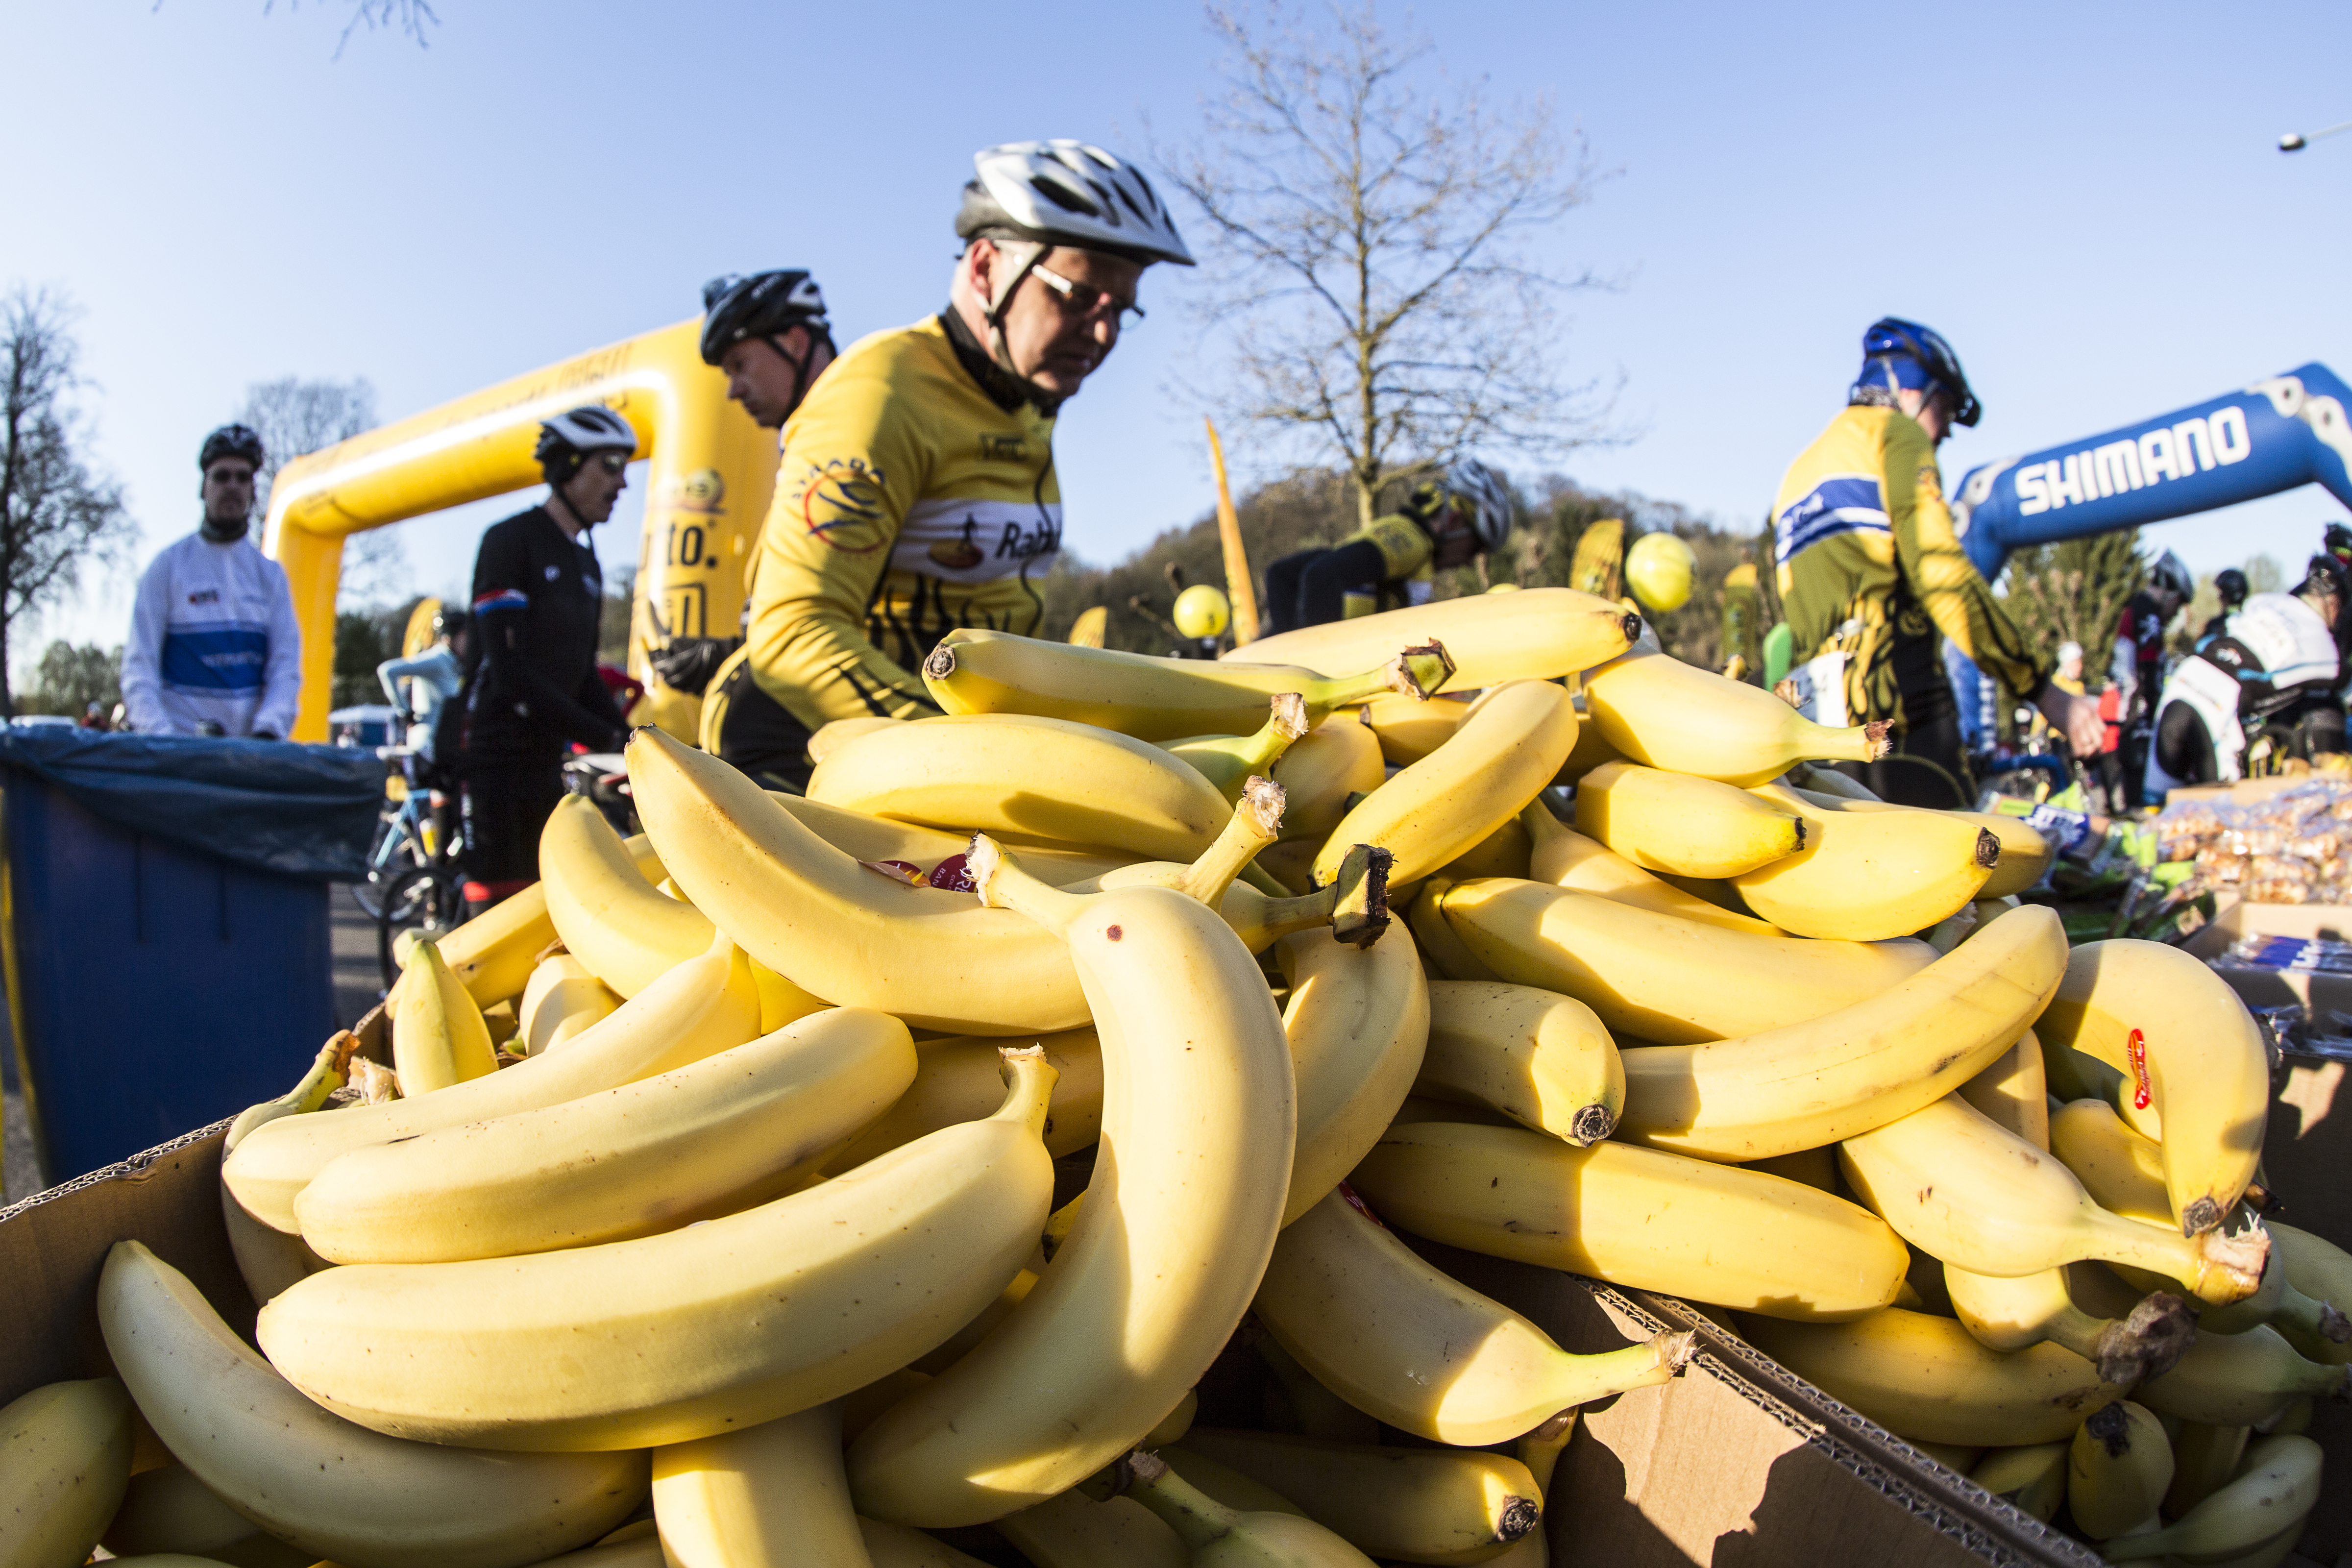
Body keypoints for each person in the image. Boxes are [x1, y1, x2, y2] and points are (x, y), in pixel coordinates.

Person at [735, 140, 1191, 789]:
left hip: (959, 731)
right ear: (984, 268)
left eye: (1121, 311)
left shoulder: (1025, 399)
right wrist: (977, 751)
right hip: (809, 745)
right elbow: (792, 634)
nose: (1103, 335)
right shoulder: (880, 395)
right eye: (1079, 296)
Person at [1772, 318, 2102, 807]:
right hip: (1902, 717)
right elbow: (1941, 572)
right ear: (1907, 390)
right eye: (1944, 407)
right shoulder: (1896, 435)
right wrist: (2042, 690)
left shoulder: (1797, 472)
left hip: (1821, 730)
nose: (1946, 430)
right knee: (1969, 870)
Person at [644, 270, 841, 786]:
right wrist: (726, 651)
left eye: (739, 364)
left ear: (795, 341)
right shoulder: (806, 445)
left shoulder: (853, 437)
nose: (731, 390)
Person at [450, 406, 635, 914]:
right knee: (497, 908)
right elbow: (511, 675)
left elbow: (581, 671)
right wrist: (603, 736)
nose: (622, 484)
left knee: (544, 907)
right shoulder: (510, 541)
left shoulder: (587, 562)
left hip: (544, 757)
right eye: (611, 465)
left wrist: (634, 740)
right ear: (568, 465)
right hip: (494, 754)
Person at [119, 425, 304, 739]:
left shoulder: (271, 576)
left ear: (253, 491)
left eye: (243, 477)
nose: (232, 485)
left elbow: (286, 668)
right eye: (221, 476)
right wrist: (164, 740)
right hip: (178, 757)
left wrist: (268, 731)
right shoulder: (167, 567)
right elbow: (139, 669)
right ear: (203, 487)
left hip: (250, 758)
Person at [2145, 554, 2348, 795]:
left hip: (2188, 674)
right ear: (2335, 604)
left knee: (2156, 804)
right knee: (2217, 817)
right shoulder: (2326, 651)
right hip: (2223, 700)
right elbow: (2337, 685)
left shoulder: (2265, 601)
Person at [1259, 462, 1515, 635]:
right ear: (1455, 521)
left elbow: (1282, 574)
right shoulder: (1411, 541)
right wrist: (1312, 664)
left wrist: (1283, 640)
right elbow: (1321, 576)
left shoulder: (1403, 538)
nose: (1470, 561)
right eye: (1475, 547)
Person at [2109, 548, 2195, 799]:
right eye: (2177, 604)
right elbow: (2149, 672)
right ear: (2169, 591)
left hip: (2129, 720)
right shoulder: (2148, 614)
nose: (2175, 612)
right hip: (2139, 721)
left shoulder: (2137, 608)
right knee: (2146, 808)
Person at [376, 604, 468, 765]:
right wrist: (405, 712)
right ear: (449, 637)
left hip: (442, 745)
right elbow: (387, 670)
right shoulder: (437, 659)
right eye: (464, 636)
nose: (469, 642)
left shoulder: (453, 664)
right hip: (426, 749)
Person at [2198, 568, 2249, 646]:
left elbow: (2201, 649)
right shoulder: (2251, 623)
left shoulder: (2217, 625)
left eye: (2222, 592)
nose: (2219, 597)